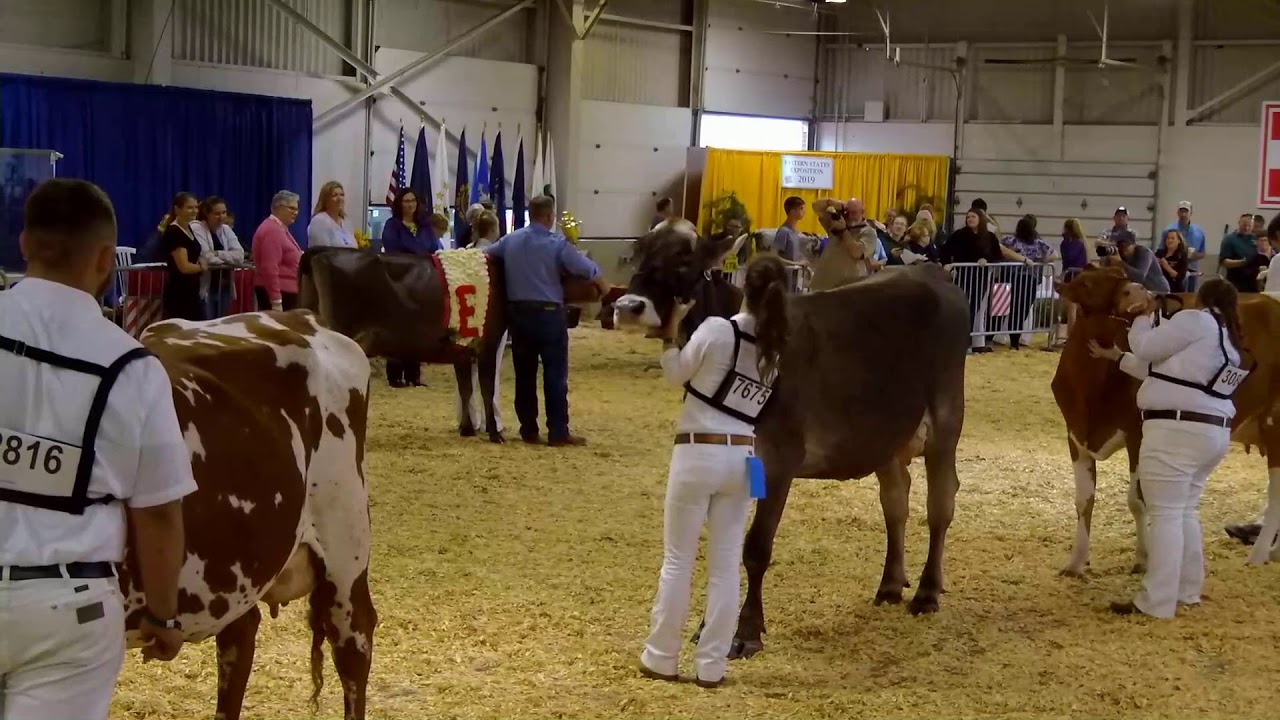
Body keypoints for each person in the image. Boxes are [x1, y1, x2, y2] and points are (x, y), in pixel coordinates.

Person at [0, 178, 194, 718]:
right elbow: (157, 514)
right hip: (68, 610)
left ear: (24, 243)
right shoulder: (131, 366)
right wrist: (163, 615)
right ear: (108, 258)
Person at [639, 254, 790, 689]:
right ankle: (712, 666)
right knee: (725, 564)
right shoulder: (774, 347)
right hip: (744, 459)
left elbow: (675, 373)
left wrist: (670, 331)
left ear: (743, 283)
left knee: (678, 559)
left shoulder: (717, 329)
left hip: (698, 451)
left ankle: (662, 656)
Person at [1088, 277, 1246, 619]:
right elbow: (1162, 370)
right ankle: (1187, 590)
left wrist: (1143, 315)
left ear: (1202, 299)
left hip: (1175, 430)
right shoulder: (1226, 337)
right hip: (1210, 433)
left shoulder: (1195, 320)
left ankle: (1156, 601)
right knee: (1184, 510)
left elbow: (1147, 348)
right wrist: (1118, 357)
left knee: (1165, 514)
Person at [482, 195, 608, 446]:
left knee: (524, 373)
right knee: (555, 374)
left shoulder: (510, 241)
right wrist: (600, 278)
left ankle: (528, 429)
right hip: (549, 314)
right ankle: (558, 432)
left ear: (530, 214)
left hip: (518, 314)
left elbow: (485, 256)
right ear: (550, 216)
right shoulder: (558, 244)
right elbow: (585, 269)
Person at [941, 209, 1033, 353]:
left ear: (980, 219)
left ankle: (967, 341)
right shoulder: (959, 235)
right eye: (968, 217)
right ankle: (958, 340)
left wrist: (986, 259)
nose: (970, 219)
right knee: (962, 307)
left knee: (973, 309)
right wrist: (947, 263)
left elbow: (997, 255)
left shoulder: (989, 237)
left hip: (981, 278)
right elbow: (945, 250)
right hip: (964, 275)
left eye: (973, 216)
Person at [381, 188, 439, 389]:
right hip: (400, 282)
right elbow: (393, 249)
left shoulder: (425, 226)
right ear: (399, 204)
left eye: (412, 201)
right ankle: (395, 375)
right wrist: (419, 254)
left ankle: (414, 375)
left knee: (418, 329)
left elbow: (435, 248)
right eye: (405, 201)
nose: (409, 205)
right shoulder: (392, 225)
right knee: (398, 328)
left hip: (423, 283)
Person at [999, 215, 1054, 350]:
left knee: (1013, 309)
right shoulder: (1039, 243)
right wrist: (1041, 261)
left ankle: (1013, 340)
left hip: (1014, 278)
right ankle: (1015, 340)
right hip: (1031, 279)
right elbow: (1054, 254)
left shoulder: (1011, 241)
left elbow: (999, 247)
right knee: (1022, 310)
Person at [190, 196, 245, 319]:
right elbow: (206, 257)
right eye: (217, 214)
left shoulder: (226, 229)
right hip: (206, 287)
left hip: (225, 286)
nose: (221, 217)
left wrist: (216, 253)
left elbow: (240, 256)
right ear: (207, 214)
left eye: (224, 213)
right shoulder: (197, 227)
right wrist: (227, 258)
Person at [252, 190, 303, 311]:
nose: (296, 212)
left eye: (297, 209)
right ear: (279, 207)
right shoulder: (272, 230)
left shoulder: (279, 228)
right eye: (291, 208)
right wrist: (276, 301)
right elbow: (269, 267)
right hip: (279, 292)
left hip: (286, 290)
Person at [159, 192, 206, 321]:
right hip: (180, 293)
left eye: (196, 207)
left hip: (192, 291)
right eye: (189, 207)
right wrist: (201, 267)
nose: (194, 211)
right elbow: (184, 267)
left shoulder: (188, 229)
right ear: (177, 209)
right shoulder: (174, 232)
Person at [1105, 231, 1170, 293]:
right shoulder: (1121, 254)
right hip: (1140, 291)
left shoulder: (1144, 252)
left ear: (1134, 244)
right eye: (1119, 246)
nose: (1123, 249)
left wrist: (1120, 263)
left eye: (1125, 245)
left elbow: (1139, 277)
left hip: (1157, 290)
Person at [1165, 201, 1207, 291]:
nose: (1183, 214)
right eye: (1181, 211)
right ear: (1177, 213)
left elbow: (1203, 253)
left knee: (1191, 296)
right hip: (1174, 269)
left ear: (1191, 213)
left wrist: (1195, 255)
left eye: (1186, 211)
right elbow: (1162, 250)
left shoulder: (1199, 231)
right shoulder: (1169, 230)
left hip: (1192, 270)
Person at [307, 181, 359, 249]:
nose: (340, 198)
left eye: (342, 195)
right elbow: (322, 253)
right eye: (334, 195)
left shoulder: (347, 222)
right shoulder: (319, 221)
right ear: (325, 200)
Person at [1218, 213, 1259, 294]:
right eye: (1244, 225)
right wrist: (1242, 262)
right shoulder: (1229, 240)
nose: (1247, 228)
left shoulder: (1255, 239)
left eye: (1249, 226)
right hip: (1236, 282)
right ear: (1239, 222)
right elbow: (1224, 262)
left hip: (1253, 282)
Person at [1155, 229, 1190, 293]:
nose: (1169, 240)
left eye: (1172, 238)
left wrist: (1166, 266)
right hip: (1158, 288)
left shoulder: (1182, 256)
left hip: (1174, 289)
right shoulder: (1159, 253)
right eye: (1168, 238)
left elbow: (1180, 277)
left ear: (1179, 241)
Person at [772, 196, 805, 263]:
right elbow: (774, 256)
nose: (804, 211)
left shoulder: (795, 231)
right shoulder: (783, 232)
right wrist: (794, 263)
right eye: (801, 208)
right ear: (792, 211)